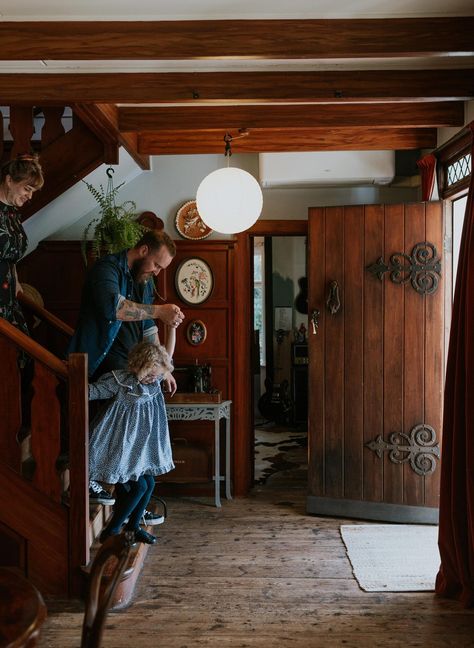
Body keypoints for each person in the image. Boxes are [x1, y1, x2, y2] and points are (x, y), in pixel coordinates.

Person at [67, 229, 184, 510]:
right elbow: (114, 308)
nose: (156, 272)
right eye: (157, 264)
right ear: (143, 250)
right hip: (98, 365)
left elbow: (148, 330)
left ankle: (130, 514)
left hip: (130, 369)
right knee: (100, 435)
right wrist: (158, 310)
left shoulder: (142, 281)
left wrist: (164, 368)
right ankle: (90, 480)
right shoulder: (106, 269)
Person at [89, 336, 176, 545]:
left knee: (149, 483)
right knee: (138, 487)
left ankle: (133, 527)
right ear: (138, 368)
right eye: (149, 376)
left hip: (140, 446)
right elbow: (93, 391)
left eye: (156, 377)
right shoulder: (121, 381)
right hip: (120, 444)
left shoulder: (154, 383)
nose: (152, 380)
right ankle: (112, 529)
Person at [0, 154, 44, 336]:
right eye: (27, 188)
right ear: (9, 180)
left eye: (33, 191)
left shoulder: (13, 214)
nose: (30, 196)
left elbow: (11, 256)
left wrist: (16, 280)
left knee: (21, 355)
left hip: (9, 296)